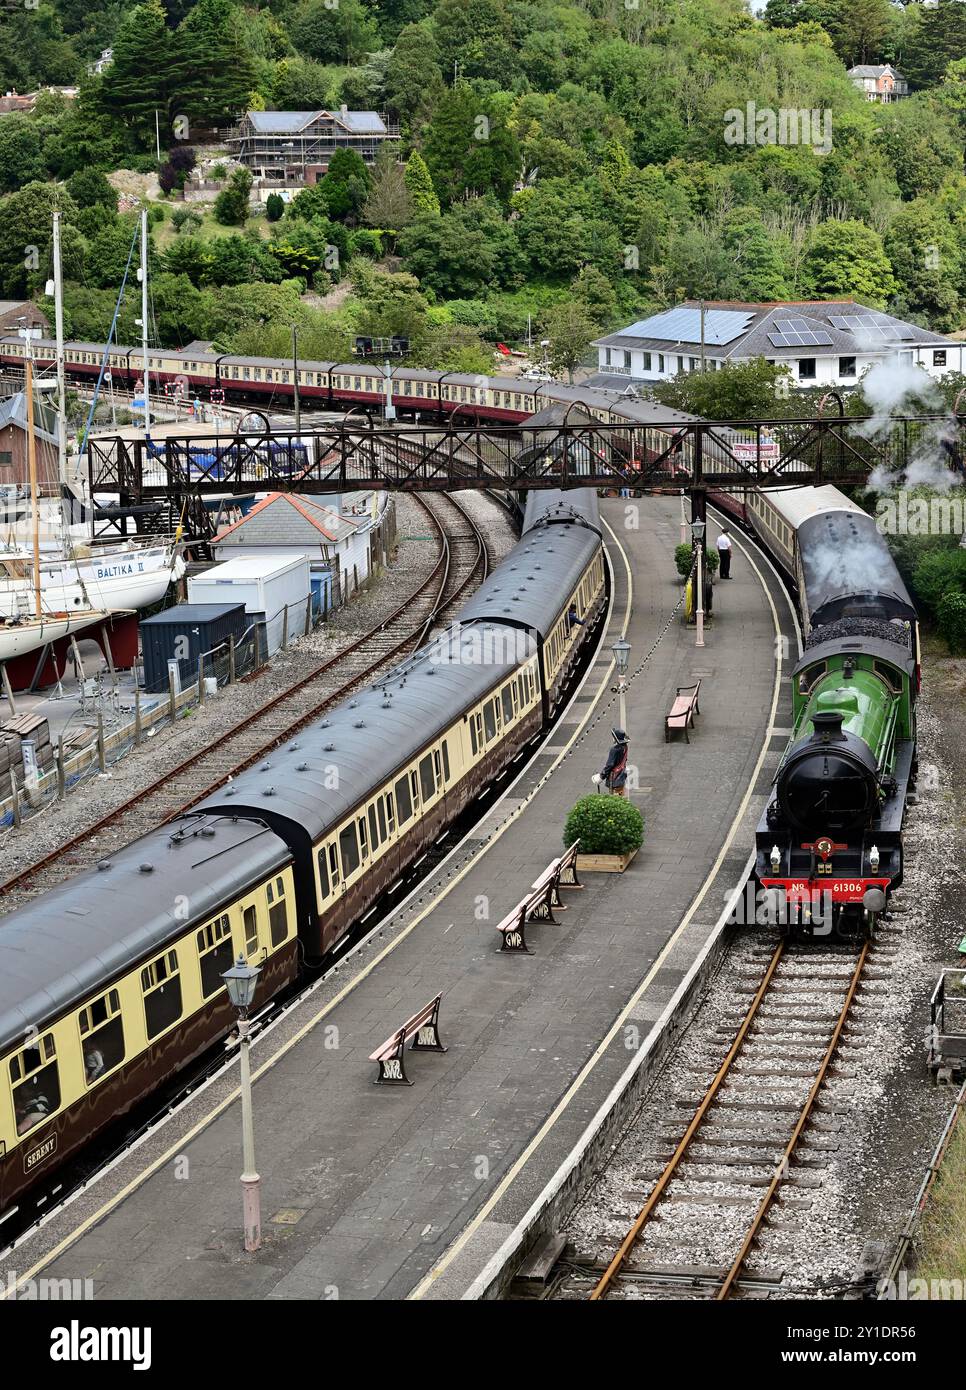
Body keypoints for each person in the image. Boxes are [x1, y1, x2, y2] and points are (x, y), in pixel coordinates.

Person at [596, 727, 629, 797]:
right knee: (621, 795)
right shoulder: (625, 746)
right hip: (622, 774)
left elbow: (609, 765)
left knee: (614, 796)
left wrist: (601, 776)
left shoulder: (614, 750)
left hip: (614, 777)